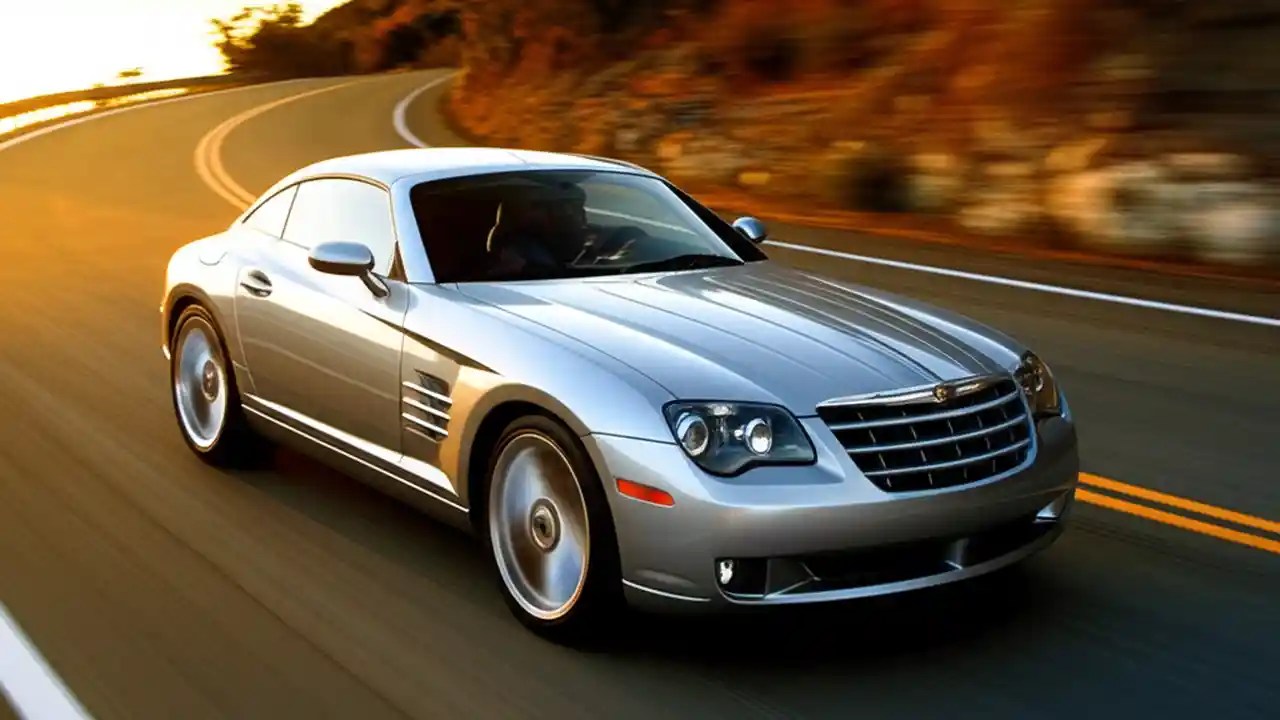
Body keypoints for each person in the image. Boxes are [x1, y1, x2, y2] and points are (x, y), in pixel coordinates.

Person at [486, 181, 592, 277]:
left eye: (576, 207)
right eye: (559, 208)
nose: (569, 213)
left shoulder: (560, 241)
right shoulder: (519, 249)